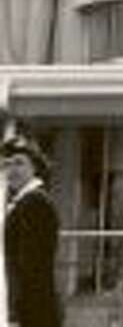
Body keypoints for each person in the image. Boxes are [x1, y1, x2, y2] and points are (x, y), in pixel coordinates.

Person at [3, 135, 61, 327]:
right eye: (7, 164)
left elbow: (31, 266)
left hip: (33, 310)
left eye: (19, 163)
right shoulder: (25, 202)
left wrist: (15, 314)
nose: (12, 170)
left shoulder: (35, 204)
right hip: (33, 307)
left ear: (34, 167)